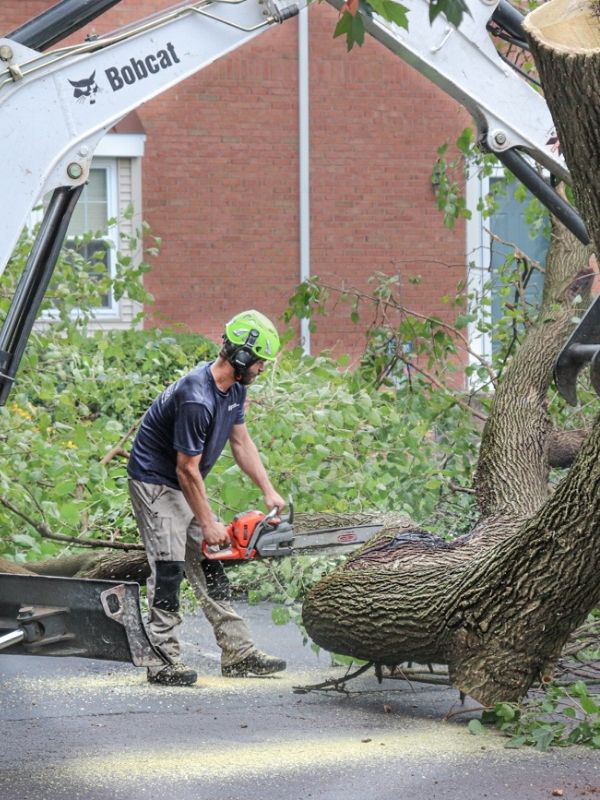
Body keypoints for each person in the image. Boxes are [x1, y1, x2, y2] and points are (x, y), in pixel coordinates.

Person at [127, 310, 287, 686]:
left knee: (210, 561)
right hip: (156, 482)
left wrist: (268, 489)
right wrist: (210, 521)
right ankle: (162, 659)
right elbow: (185, 470)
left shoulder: (235, 389)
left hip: (185, 481)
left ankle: (239, 652)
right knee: (169, 567)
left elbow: (240, 440)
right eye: (261, 361)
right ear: (244, 358)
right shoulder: (196, 397)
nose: (263, 369)